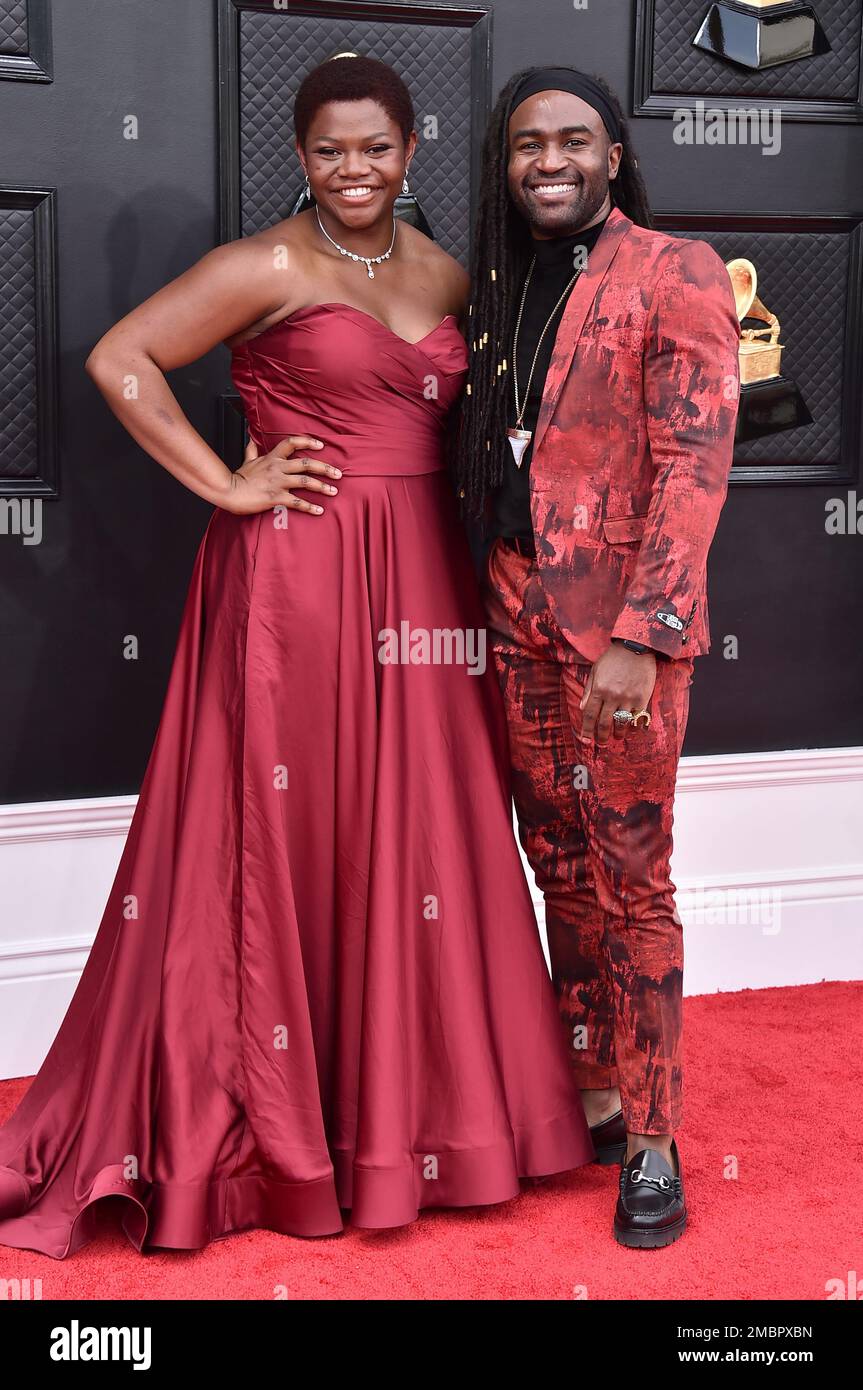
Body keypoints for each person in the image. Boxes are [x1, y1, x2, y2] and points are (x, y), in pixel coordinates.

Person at [0, 55, 594, 1260]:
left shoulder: (444, 274)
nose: (354, 170)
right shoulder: (263, 263)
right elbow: (121, 357)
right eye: (329, 150)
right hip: (296, 584)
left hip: (426, 581)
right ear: (302, 154)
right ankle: (285, 1129)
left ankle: (423, 1121)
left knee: (420, 826)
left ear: (412, 147)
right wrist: (227, 482)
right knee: (288, 824)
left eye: (375, 147)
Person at [455, 66, 740, 1247]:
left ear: (612, 154)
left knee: (632, 884)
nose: (549, 161)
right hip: (513, 614)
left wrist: (641, 635)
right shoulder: (491, 279)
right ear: (506, 161)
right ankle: (599, 1090)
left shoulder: (672, 269)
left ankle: (658, 1141)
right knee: (556, 870)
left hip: (622, 633)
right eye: (528, 144)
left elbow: (693, 463)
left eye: (573, 140)